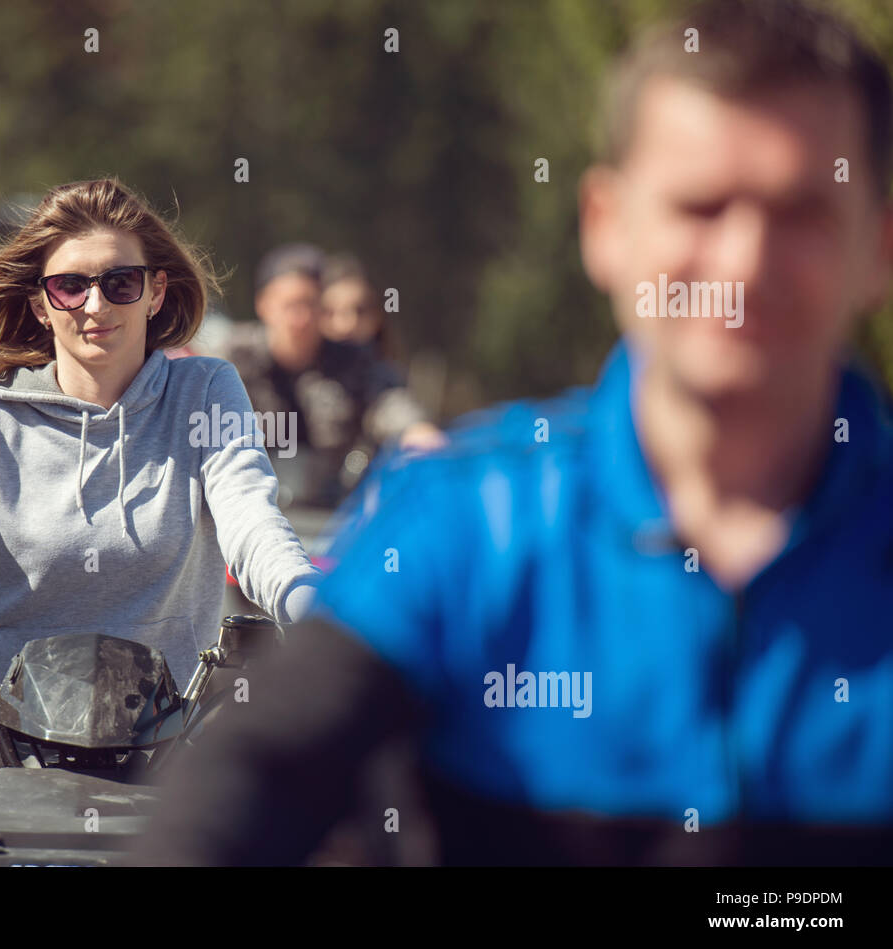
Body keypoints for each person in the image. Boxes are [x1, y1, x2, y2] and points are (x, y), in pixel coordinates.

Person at [136, 0, 893, 865]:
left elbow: (391, 405)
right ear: (606, 227)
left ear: (879, 245)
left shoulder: (374, 387)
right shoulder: (468, 521)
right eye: (701, 207)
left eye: (800, 212)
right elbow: (249, 779)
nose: (744, 264)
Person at [0, 177, 323, 808]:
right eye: (70, 285)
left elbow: (252, 520)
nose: (94, 305)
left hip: (169, 742)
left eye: (119, 282)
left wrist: (312, 603)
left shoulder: (205, 392)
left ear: (155, 292)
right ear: (43, 304)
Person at [221, 243, 445, 507]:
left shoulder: (352, 362)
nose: (301, 318)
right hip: (246, 510)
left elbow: (388, 403)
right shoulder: (230, 361)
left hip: (330, 515)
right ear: (264, 305)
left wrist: (417, 431)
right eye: (291, 306)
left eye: (311, 305)